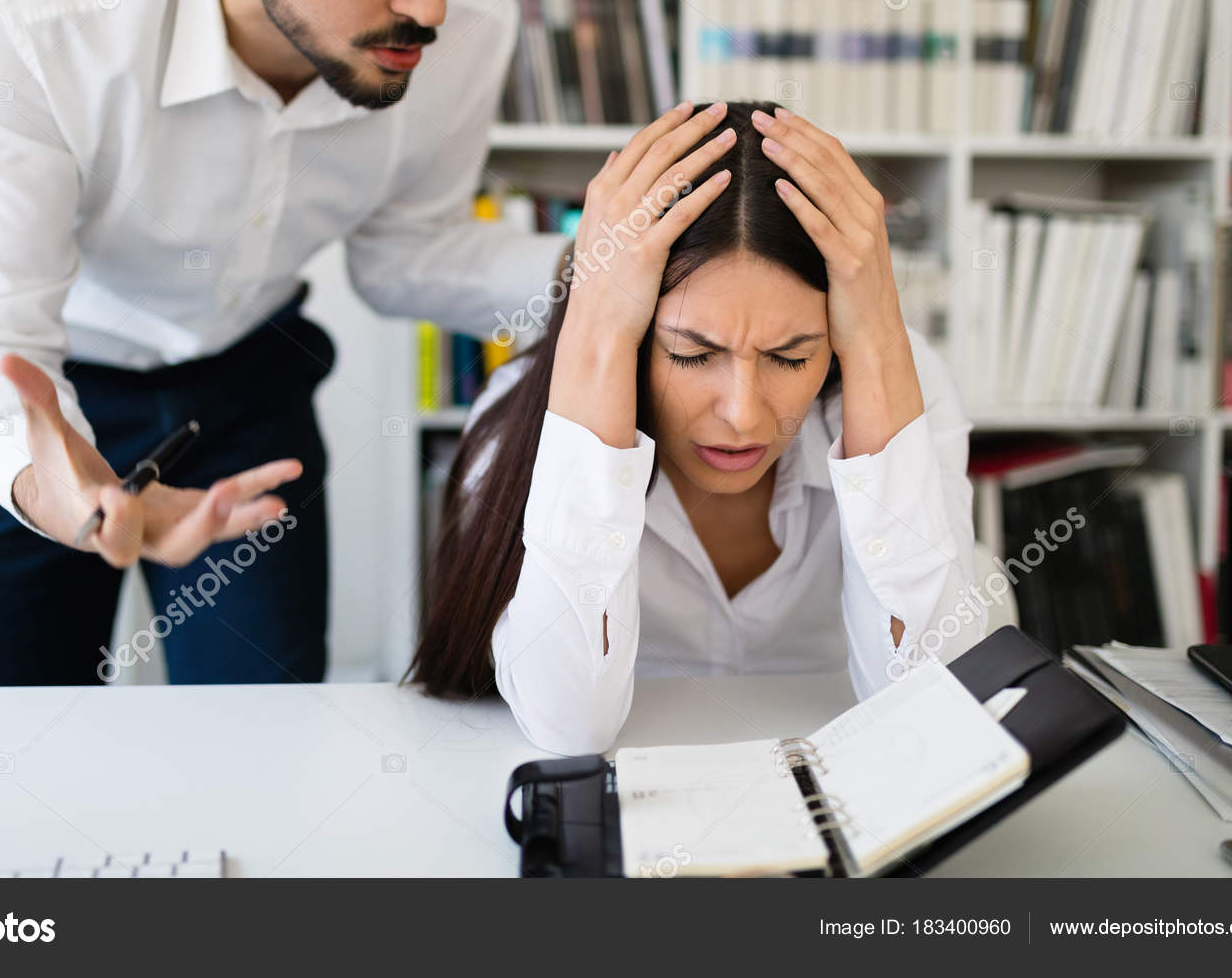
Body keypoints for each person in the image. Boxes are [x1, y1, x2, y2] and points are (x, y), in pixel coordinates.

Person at [0, 0, 563, 686]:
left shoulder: (474, 23)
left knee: (268, 742)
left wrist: (619, 271)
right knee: (13, 736)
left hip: (246, 382)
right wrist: (47, 477)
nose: (429, 5)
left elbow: (408, 252)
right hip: (32, 386)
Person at [407, 101, 988, 754]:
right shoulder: (516, 417)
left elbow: (932, 709)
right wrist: (593, 330)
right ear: (630, 333)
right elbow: (569, 726)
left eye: (791, 355)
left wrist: (879, 337)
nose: (743, 414)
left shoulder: (897, 383)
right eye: (691, 353)